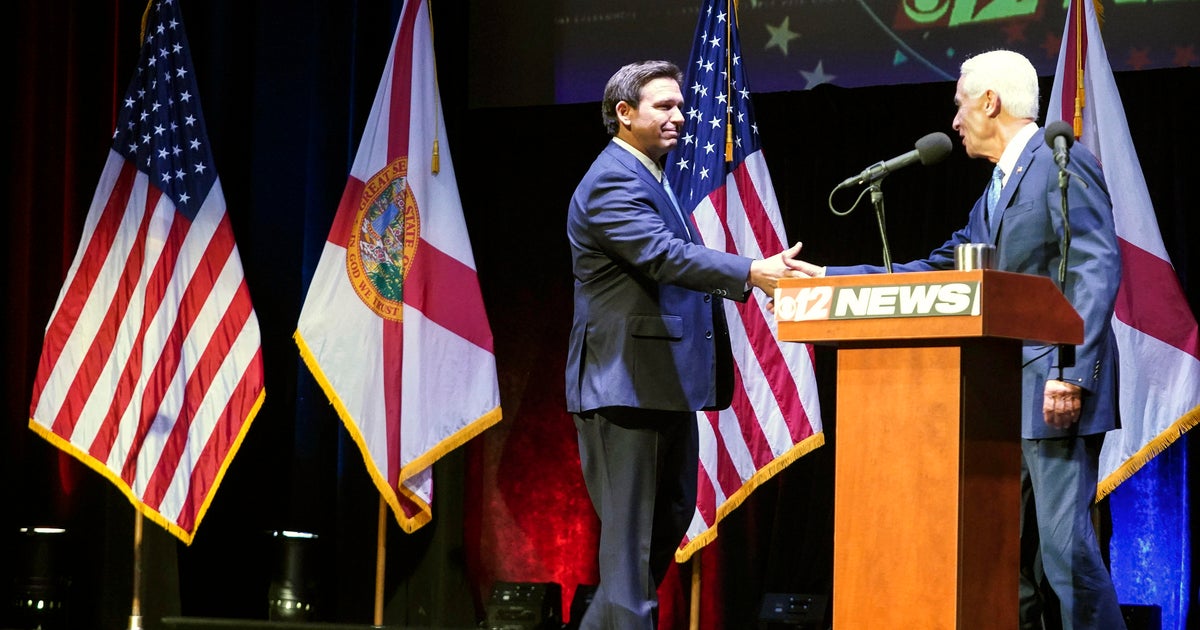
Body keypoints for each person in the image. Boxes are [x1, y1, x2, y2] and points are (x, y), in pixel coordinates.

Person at [788, 50, 1126, 630]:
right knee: (1004, 558)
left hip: (1053, 389)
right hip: (995, 397)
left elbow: (1094, 268)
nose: (955, 120)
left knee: (1064, 554)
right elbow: (943, 267)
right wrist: (831, 277)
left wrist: (1070, 373)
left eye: (960, 103)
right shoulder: (995, 188)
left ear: (990, 102)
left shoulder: (1059, 161)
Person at [564, 60, 803, 629]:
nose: (679, 115)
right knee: (631, 552)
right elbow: (662, 254)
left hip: (661, 386)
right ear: (625, 114)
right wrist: (751, 271)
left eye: (679, 104)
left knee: (658, 532)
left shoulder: (650, 174)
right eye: (664, 106)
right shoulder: (612, 180)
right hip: (624, 388)